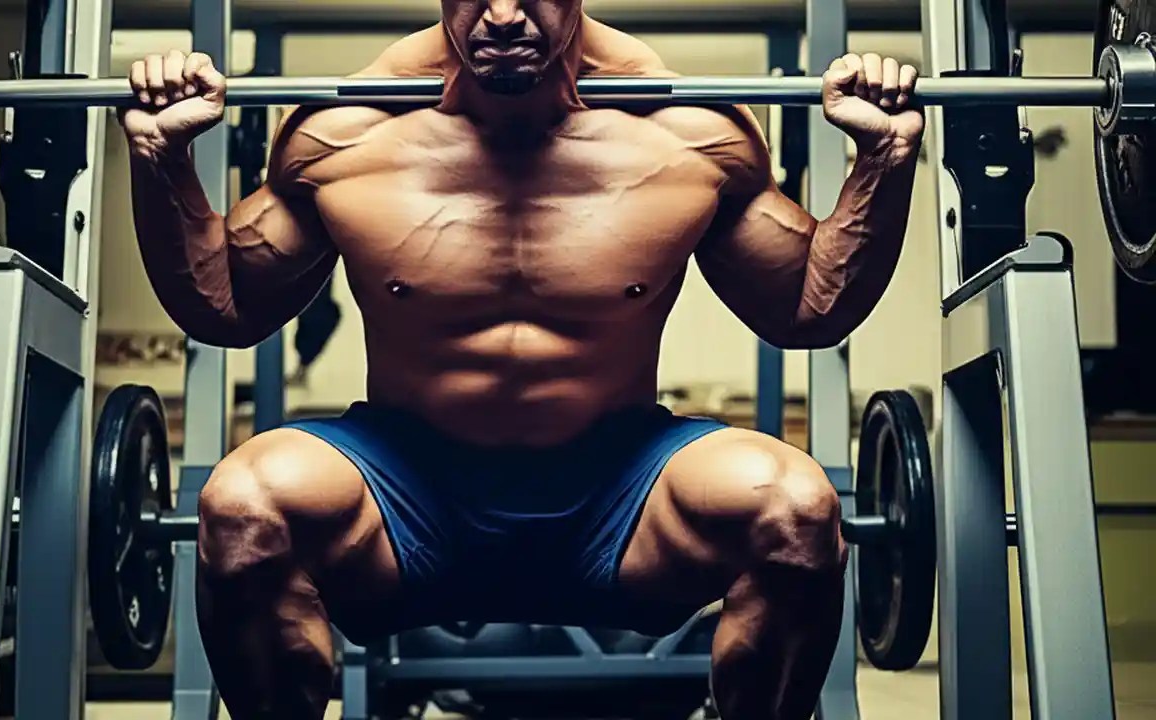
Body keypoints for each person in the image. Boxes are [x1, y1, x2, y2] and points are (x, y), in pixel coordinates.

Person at [120, 2, 922, 718]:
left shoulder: (685, 129)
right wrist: (163, 163)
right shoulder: (349, 130)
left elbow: (807, 310)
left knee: (795, 511)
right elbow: (225, 307)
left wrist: (881, 163)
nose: (503, 15)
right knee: (243, 505)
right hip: (406, 491)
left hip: (620, 489)